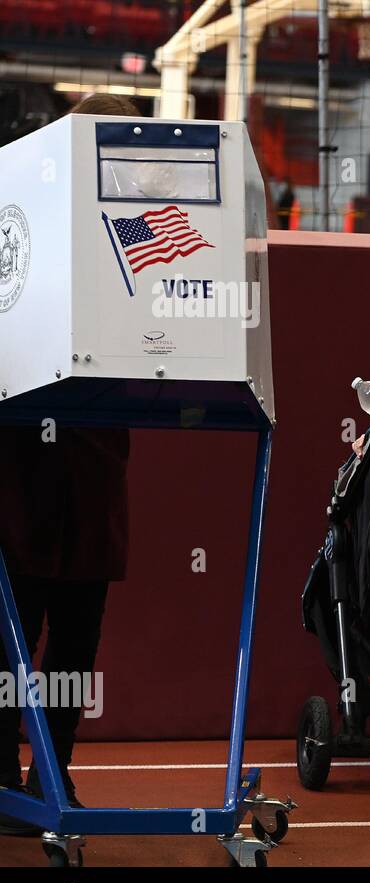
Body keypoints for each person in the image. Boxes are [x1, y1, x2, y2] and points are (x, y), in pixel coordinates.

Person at [0, 93, 140, 836]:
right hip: (23, 460)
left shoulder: (142, 225)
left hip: (93, 465)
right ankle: (3, 774)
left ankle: (51, 773)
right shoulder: (27, 212)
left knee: (76, 643)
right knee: (9, 633)